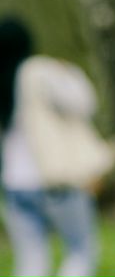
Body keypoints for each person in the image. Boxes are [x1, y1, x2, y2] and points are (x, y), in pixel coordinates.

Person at [1, 17, 109, 277]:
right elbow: (83, 104)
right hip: (55, 179)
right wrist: (69, 73)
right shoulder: (37, 70)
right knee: (81, 250)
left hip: (14, 183)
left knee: (31, 258)